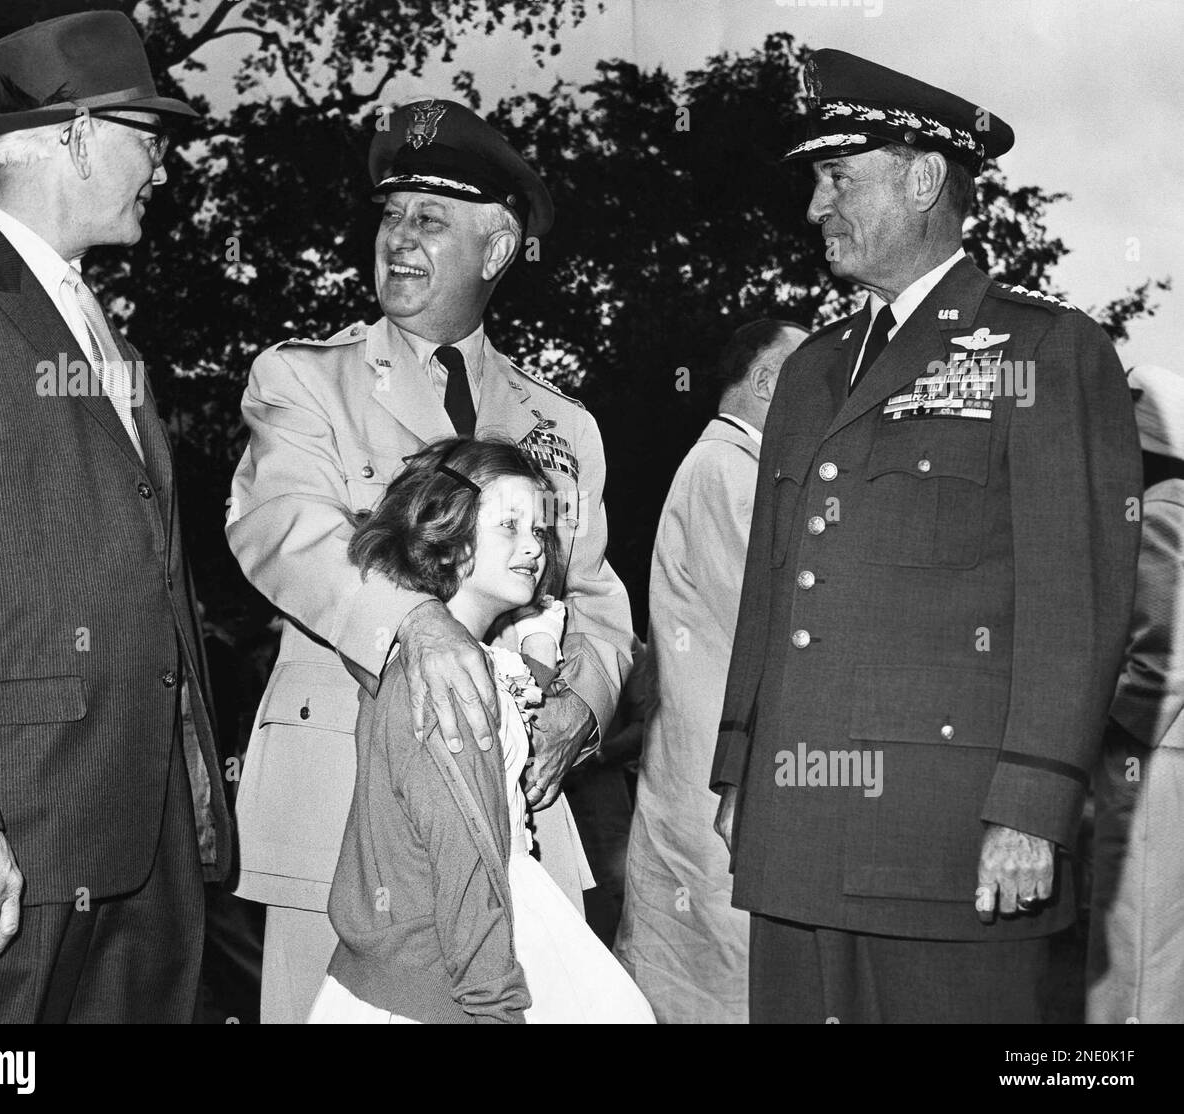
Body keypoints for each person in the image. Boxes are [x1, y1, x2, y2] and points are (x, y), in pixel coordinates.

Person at [711, 49, 1141, 1023]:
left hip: (943, 840)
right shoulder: (812, 370)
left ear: (923, 178)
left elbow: (1074, 604)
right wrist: (739, 767)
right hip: (792, 829)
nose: (815, 206)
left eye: (837, 176)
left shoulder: (1042, 350)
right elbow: (771, 589)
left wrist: (1032, 806)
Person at [227, 98, 633, 1023]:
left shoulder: (560, 425)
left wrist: (581, 706)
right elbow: (282, 526)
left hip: (517, 825)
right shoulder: (304, 378)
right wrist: (415, 622)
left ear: (498, 250)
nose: (399, 238)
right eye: (392, 214)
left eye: (431, 219)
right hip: (341, 818)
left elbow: (597, 598)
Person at [0, 11, 230, 1023]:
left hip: (137, 845)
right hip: (0, 853)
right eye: (146, 137)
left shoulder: (98, 330)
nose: (160, 166)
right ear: (75, 135)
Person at [306, 438, 652, 1024]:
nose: (533, 546)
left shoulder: (458, 661)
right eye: (509, 526)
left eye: (538, 530)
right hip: (451, 975)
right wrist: (495, 1007)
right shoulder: (451, 683)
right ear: (446, 537)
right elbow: (462, 863)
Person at [616, 318, 805, 1023]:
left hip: (707, 769)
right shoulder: (729, 470)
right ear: (766, 381)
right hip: (719, 777)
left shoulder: (729, 467)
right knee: (718, 978)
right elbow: (780, 623)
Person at [1087, 364, 1184, 1024]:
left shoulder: (1160, 512)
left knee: (1138, 944)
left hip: (1152, 759)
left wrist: (1096, 728)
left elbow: (1159, 662)